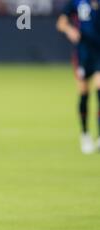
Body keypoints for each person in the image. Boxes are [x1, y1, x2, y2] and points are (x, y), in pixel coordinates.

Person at [57, 0, 100, 154]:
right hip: (83, 53)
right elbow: (61, 23)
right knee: (84, 93)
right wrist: (69, 30)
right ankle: (85, 135)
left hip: (99, 53)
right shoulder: (76, 2)